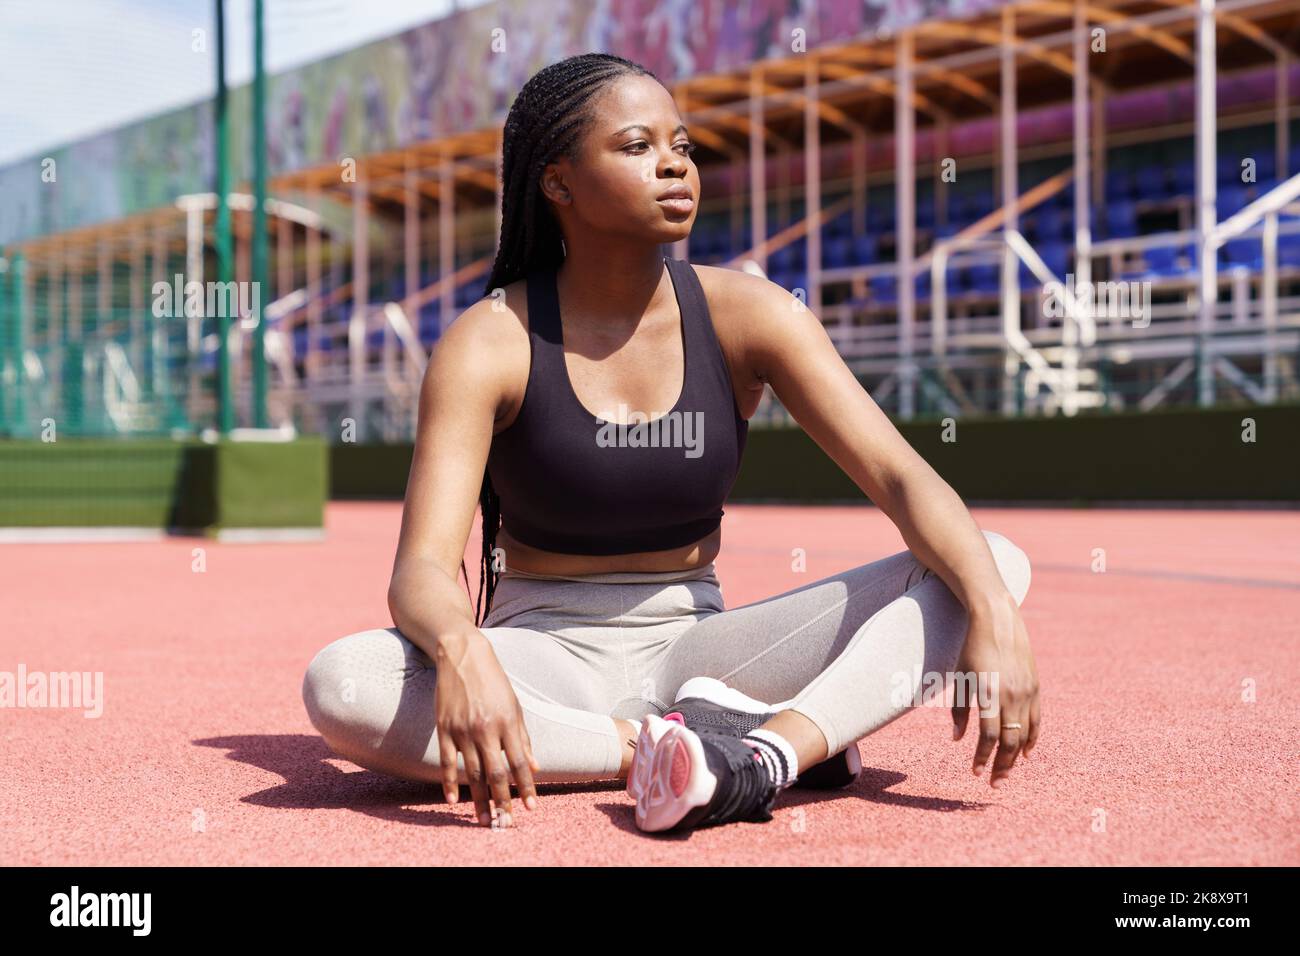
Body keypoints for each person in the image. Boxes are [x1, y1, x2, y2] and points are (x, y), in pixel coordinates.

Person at [301, 53, 1040, 834]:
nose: (674, 167)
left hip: (708, 652)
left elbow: (900, 477)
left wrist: (994, 612)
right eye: (635, 147)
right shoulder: (490, 342)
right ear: (557, 183)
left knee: (990, 560)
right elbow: (419, 569)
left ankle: (764, 757)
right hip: (546, 655)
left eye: (681, 146)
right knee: (343, 683)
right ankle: (669, 743)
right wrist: (459, 649)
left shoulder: (752, 315)